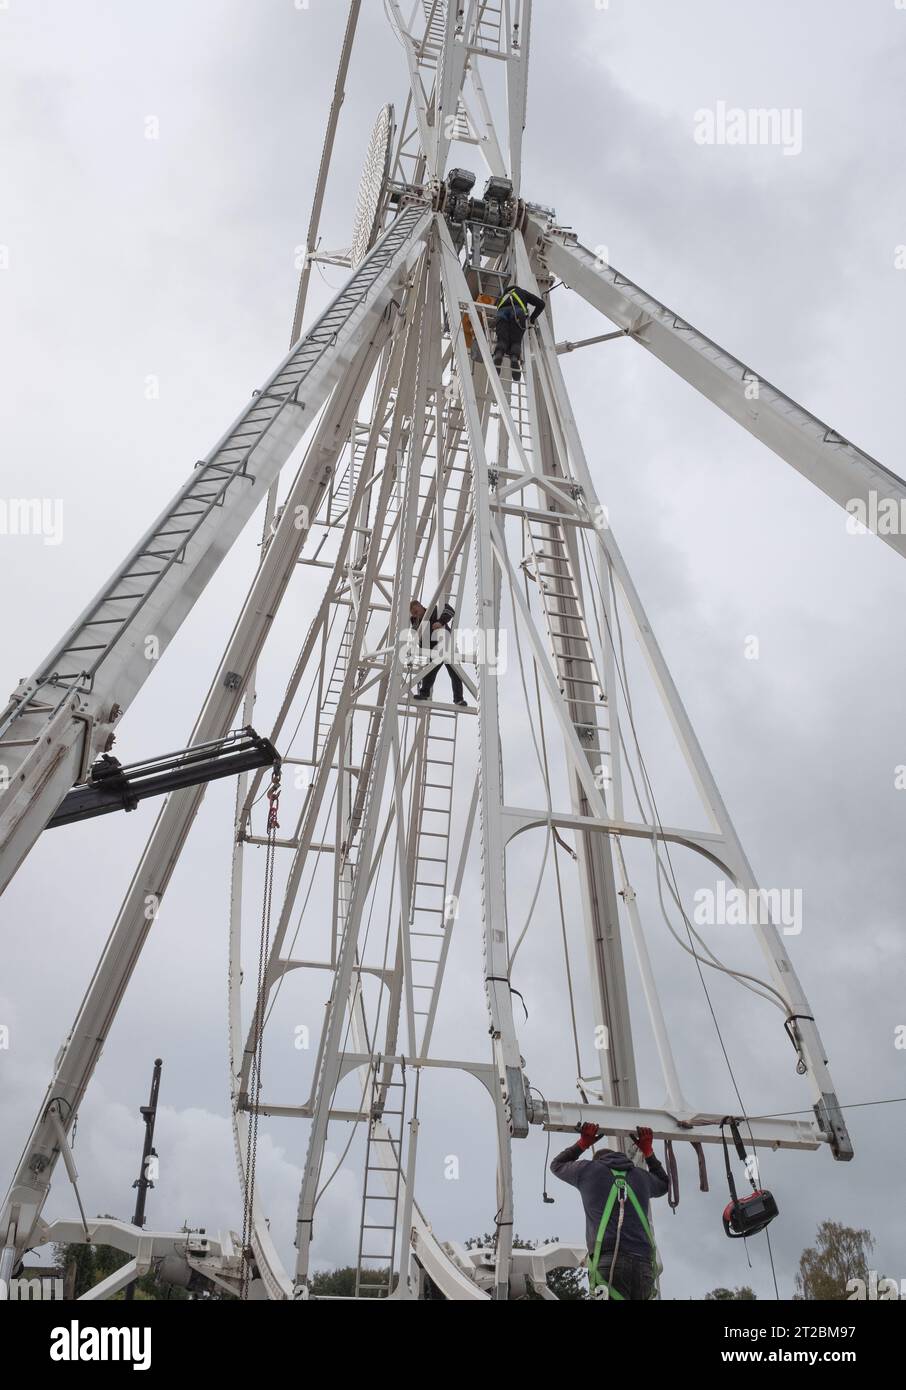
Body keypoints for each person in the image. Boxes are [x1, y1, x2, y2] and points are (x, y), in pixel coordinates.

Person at [550, 1123, 668, 1300]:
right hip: (643, 1266)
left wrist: (583, 1143)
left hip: (610, 1262)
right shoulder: (641, 1177)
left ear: (598, 1161)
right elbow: (664, 1184)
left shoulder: (588, 1170)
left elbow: (557, 1165)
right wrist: (648, 1152)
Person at [410, 599, 466, 707]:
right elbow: (416, 638)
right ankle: (424, 693)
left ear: (421, 606)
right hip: (433, 649)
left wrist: (441, 621)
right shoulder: (416, 623)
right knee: (430, 671)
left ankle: (458, 699)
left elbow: (449, 610)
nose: (416, 615)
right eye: (414, 614)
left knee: (455, 673)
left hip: (446, 644)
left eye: (417, 612)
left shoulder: (435, 610)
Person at [493, 284, 546, 382]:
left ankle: (499, 355)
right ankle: (514, 358)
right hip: (517, 313)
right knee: (516, 341)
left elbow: (495, 308)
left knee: (502, 339)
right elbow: (541, 304)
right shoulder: (522, 292)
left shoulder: (502, 298)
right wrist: (532, 318)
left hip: (501, 315)